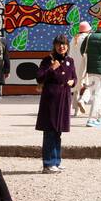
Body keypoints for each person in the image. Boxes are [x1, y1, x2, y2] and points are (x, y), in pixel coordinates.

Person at [36, 34, 76, 174]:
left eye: (64, 44)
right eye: (59, 44)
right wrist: (52, 68)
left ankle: (56, 161)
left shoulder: (70, 60)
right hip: (51, 100)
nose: (62, 46)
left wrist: (73, 82)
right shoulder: (48, 60)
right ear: (54, 46)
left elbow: (74, 77)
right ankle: (48, 164)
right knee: (50, 132)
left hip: (64, 100)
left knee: (58, 131)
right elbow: (39, 77)